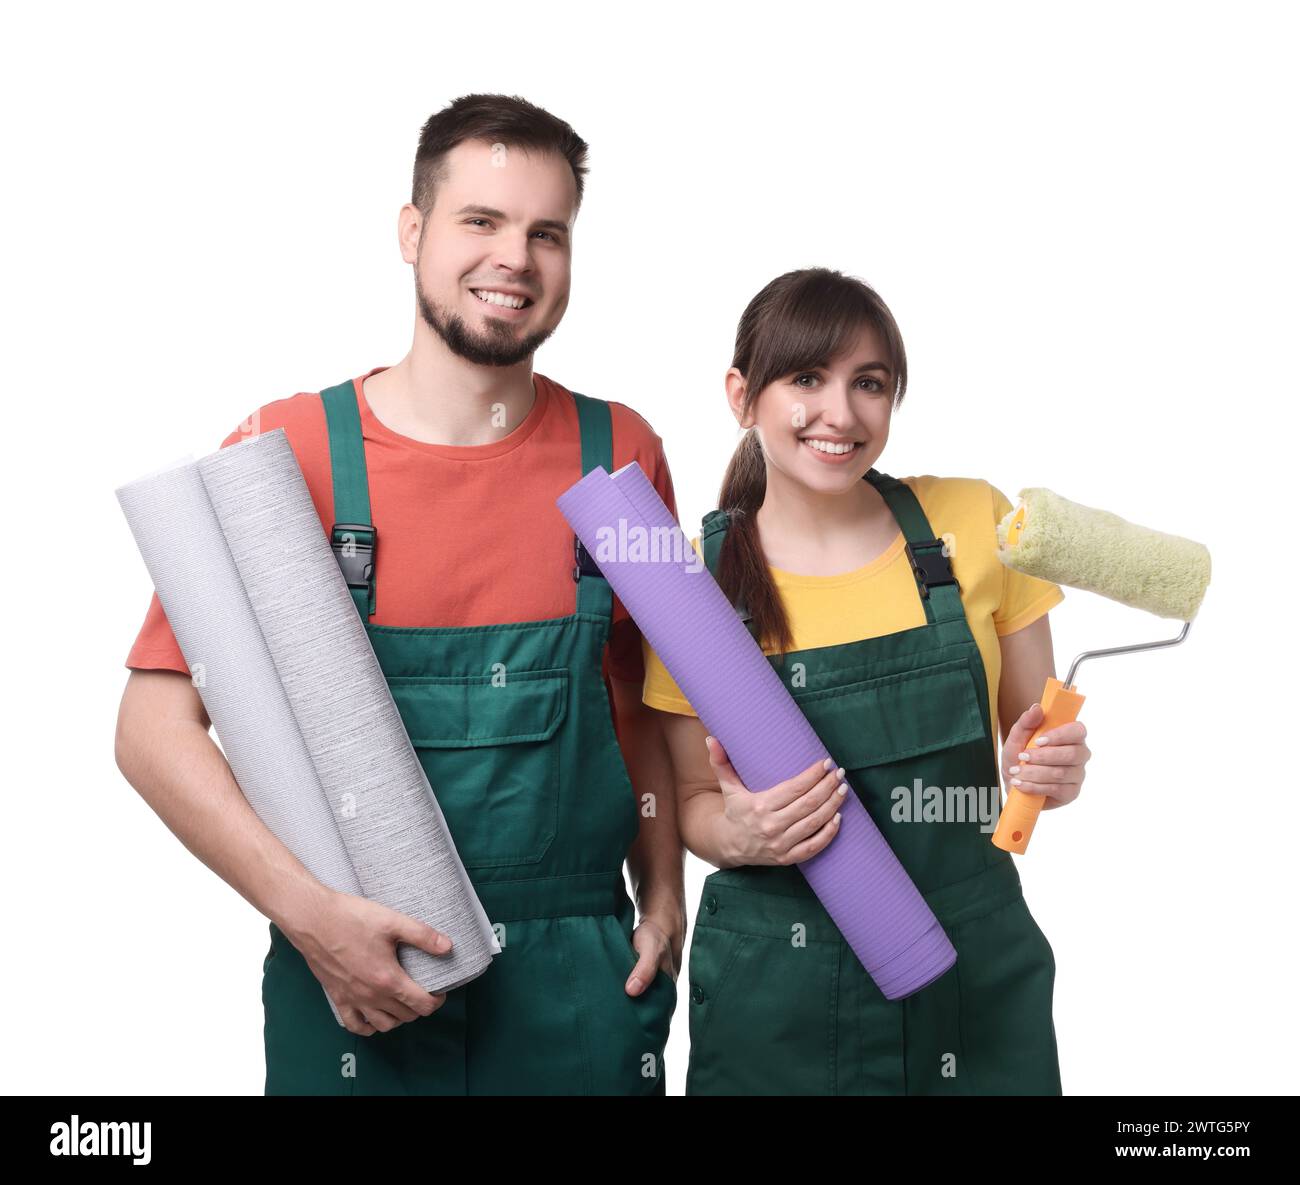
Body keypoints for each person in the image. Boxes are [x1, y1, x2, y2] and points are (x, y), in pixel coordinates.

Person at [114, 94, 684, 1096]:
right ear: (412, 233)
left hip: (578, 985)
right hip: (353, 974)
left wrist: (667, 892)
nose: (515, 258)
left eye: (546, 233)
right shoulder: (286, 455)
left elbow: (638, 702)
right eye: (480, 221)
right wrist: (308, 916)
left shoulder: (620, 455)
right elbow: (151, 731)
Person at [641, 267, 1091, 1095]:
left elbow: (1030, 745)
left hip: (974, 967)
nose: (840, 415)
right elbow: (694, 803)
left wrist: (1048, 771)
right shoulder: (689, 588)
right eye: (806, 378)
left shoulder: (974, 523)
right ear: (742, 394)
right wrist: (747, 831)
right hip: (777, 987)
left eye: (870, 384)